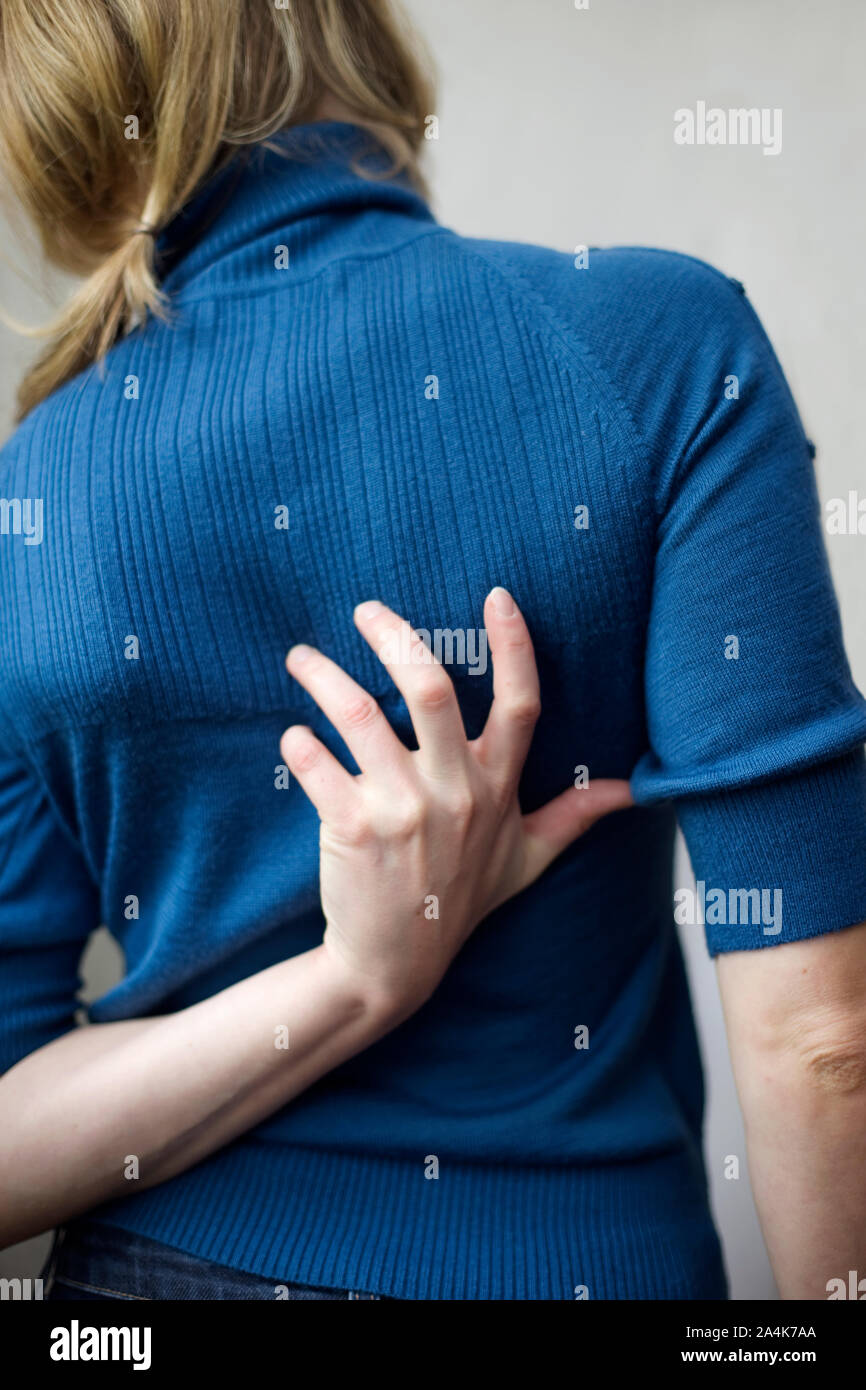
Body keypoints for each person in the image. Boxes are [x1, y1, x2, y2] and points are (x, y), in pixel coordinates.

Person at [0, 0, 865, 1302]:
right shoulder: (660, 347)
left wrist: (350, 986)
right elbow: (821, 1042)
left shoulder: (31, 492)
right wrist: (361, 978)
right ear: (359, 43)